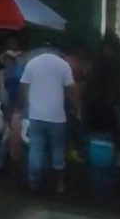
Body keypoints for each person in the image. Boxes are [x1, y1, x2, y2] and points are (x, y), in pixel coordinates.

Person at [19, 45, 77, 194]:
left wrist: (28, 102)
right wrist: (77, 108)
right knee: (58, 149)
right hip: (57, 117)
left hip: (36, 115)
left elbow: (23, 86)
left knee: (35, 149)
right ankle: (59, 184)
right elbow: (71, 90)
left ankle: (33, 181)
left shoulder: (32, 63)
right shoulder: (63, 65)